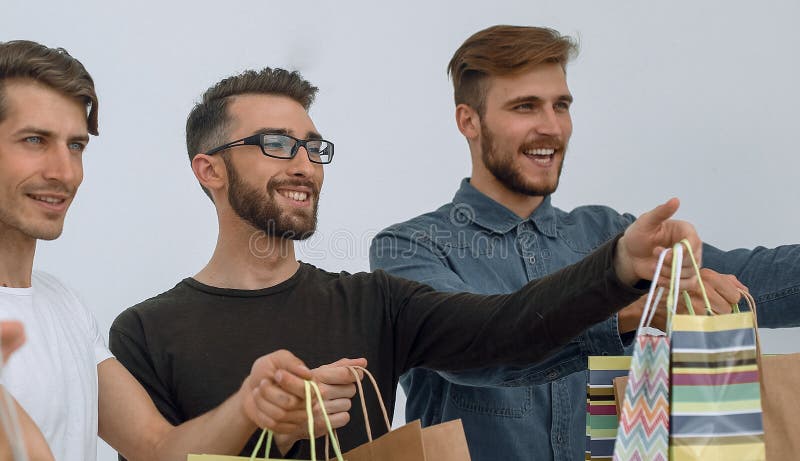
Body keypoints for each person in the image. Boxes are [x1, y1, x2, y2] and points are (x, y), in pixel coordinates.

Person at [109, 65, 704, 458]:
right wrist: (255, 414)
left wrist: (618, 265)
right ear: (208, 168)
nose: (303, 164)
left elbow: (508, 327)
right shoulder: (144, 331)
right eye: (276, 144)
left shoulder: (375, 301)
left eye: (313, 147)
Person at [369, 25, 800, 461]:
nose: (552, 127)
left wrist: (684, 290)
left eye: (561, 105)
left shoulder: (609, 233)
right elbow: (481, 351)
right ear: (469, 121)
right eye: (525, 107)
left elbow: (764, 281)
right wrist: (631, 306)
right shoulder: (410, 248)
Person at [0, 39, 363, 461]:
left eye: (76, 146)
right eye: (33, 140)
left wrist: (249, 404)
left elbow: (158, 448)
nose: (64, 171)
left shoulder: (64, 307)